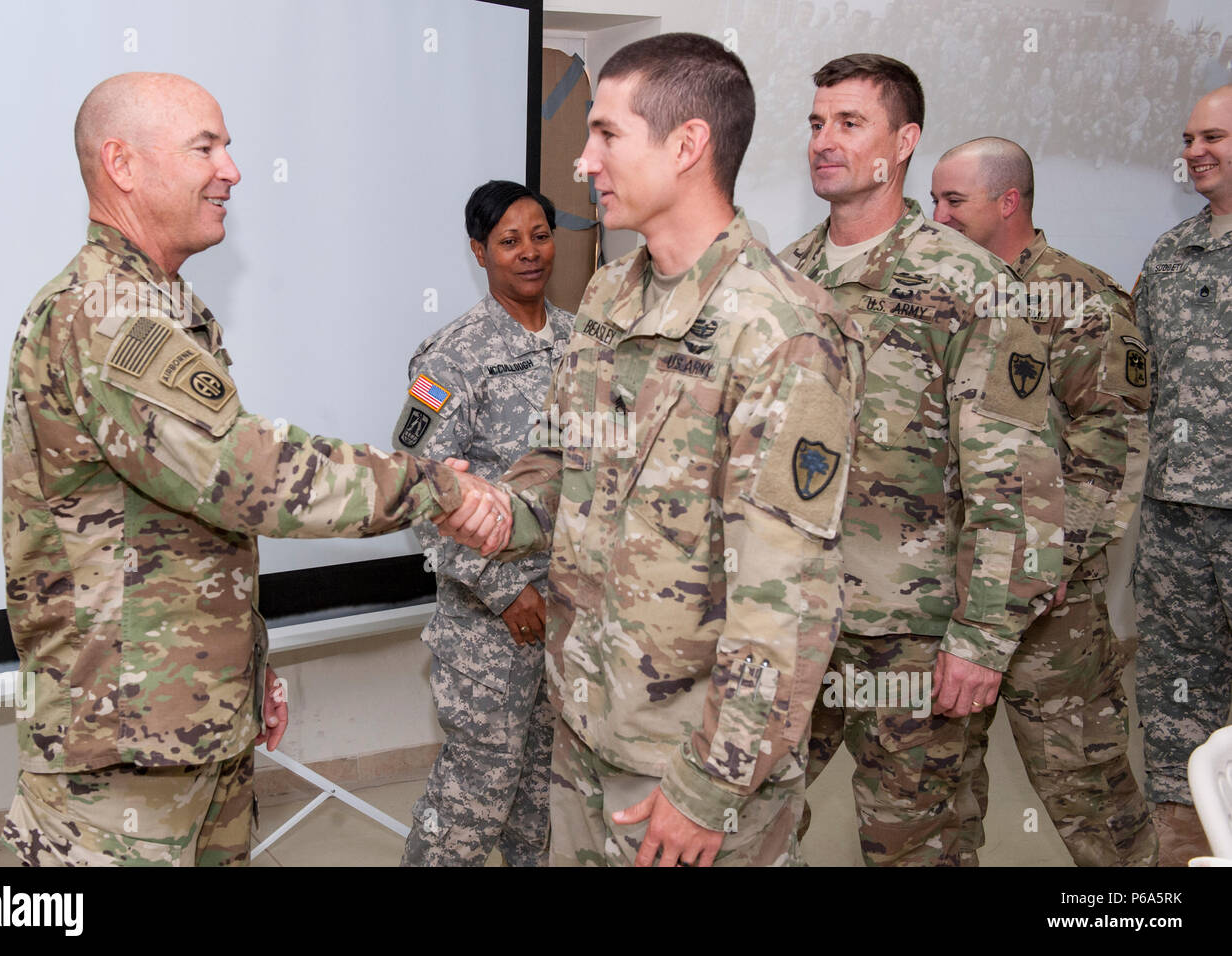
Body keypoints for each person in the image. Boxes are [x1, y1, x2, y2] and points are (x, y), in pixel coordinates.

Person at [0, 72, 506, 866]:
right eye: (207, 146)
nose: (232, 169)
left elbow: (191, 525)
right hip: (123, 753)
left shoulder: (162, 305)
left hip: (189, 724)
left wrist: (244, 663)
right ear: (122, 164)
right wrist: (437, 487)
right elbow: (248, 474)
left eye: (228, 146)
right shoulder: (107, 315)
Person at [439, 33, 862, 867]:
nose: (584, 163)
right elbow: (559, 470)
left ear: (687, 144)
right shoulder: (608, 293)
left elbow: (789, 601)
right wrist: (486, 509)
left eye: (606, 135)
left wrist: (711, 788)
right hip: (586, 727)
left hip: (690, 765)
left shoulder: (781, 331)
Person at [776, 54, 1063, 866]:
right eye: (816, 123)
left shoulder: (968, 283)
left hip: (914, 635)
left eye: (849, 122)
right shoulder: (778, 281)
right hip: (788, 620)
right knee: (745, 831)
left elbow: (1020, 482)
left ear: (903, 141)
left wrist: (983, 637)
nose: (824, 141)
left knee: (915, 847)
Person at [930, 136, 1156, 866]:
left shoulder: (1077, 297)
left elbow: (1115, 443)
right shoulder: (944, 292)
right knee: (937, 792)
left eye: (952, 201)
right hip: (949, 592)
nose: (936, 216)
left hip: (1051, 604)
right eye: (933, 199)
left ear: (1009, 201)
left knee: (1085, 790)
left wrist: (1057, 552)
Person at [393, 181, 573, 866]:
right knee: (474, 797)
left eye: (540, 235)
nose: (529, 253)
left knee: (543, 799)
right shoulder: (448, 359)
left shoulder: (583, 343)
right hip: (486, 625)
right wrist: (501, 591)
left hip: (564, 610)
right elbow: (424, 493)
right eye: (509, 240)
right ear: (479, 251)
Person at [1132, 84, 1232, 866]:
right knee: (1176, 697)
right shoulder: (1171, 253)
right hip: (1174, 521)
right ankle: (1187, 857)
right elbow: (1134, 382)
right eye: (1190, 137)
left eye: (1215, 137)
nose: (1196, 150)